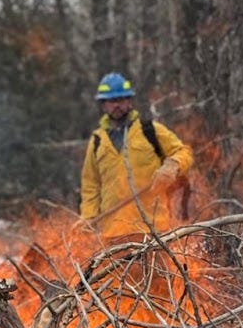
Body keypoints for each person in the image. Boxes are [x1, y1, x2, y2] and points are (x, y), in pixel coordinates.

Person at [79, 72, 194, 239]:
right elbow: (91, 185)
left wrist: (172, 165)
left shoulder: (149, 130)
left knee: (159, 266)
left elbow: (184, 152)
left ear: (129, 101)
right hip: (113, 235)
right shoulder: (97, 141)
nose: (116, 105)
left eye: (121, 100)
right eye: (111, 101)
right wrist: (88, 218)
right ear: (103, 105)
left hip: (153, 230)